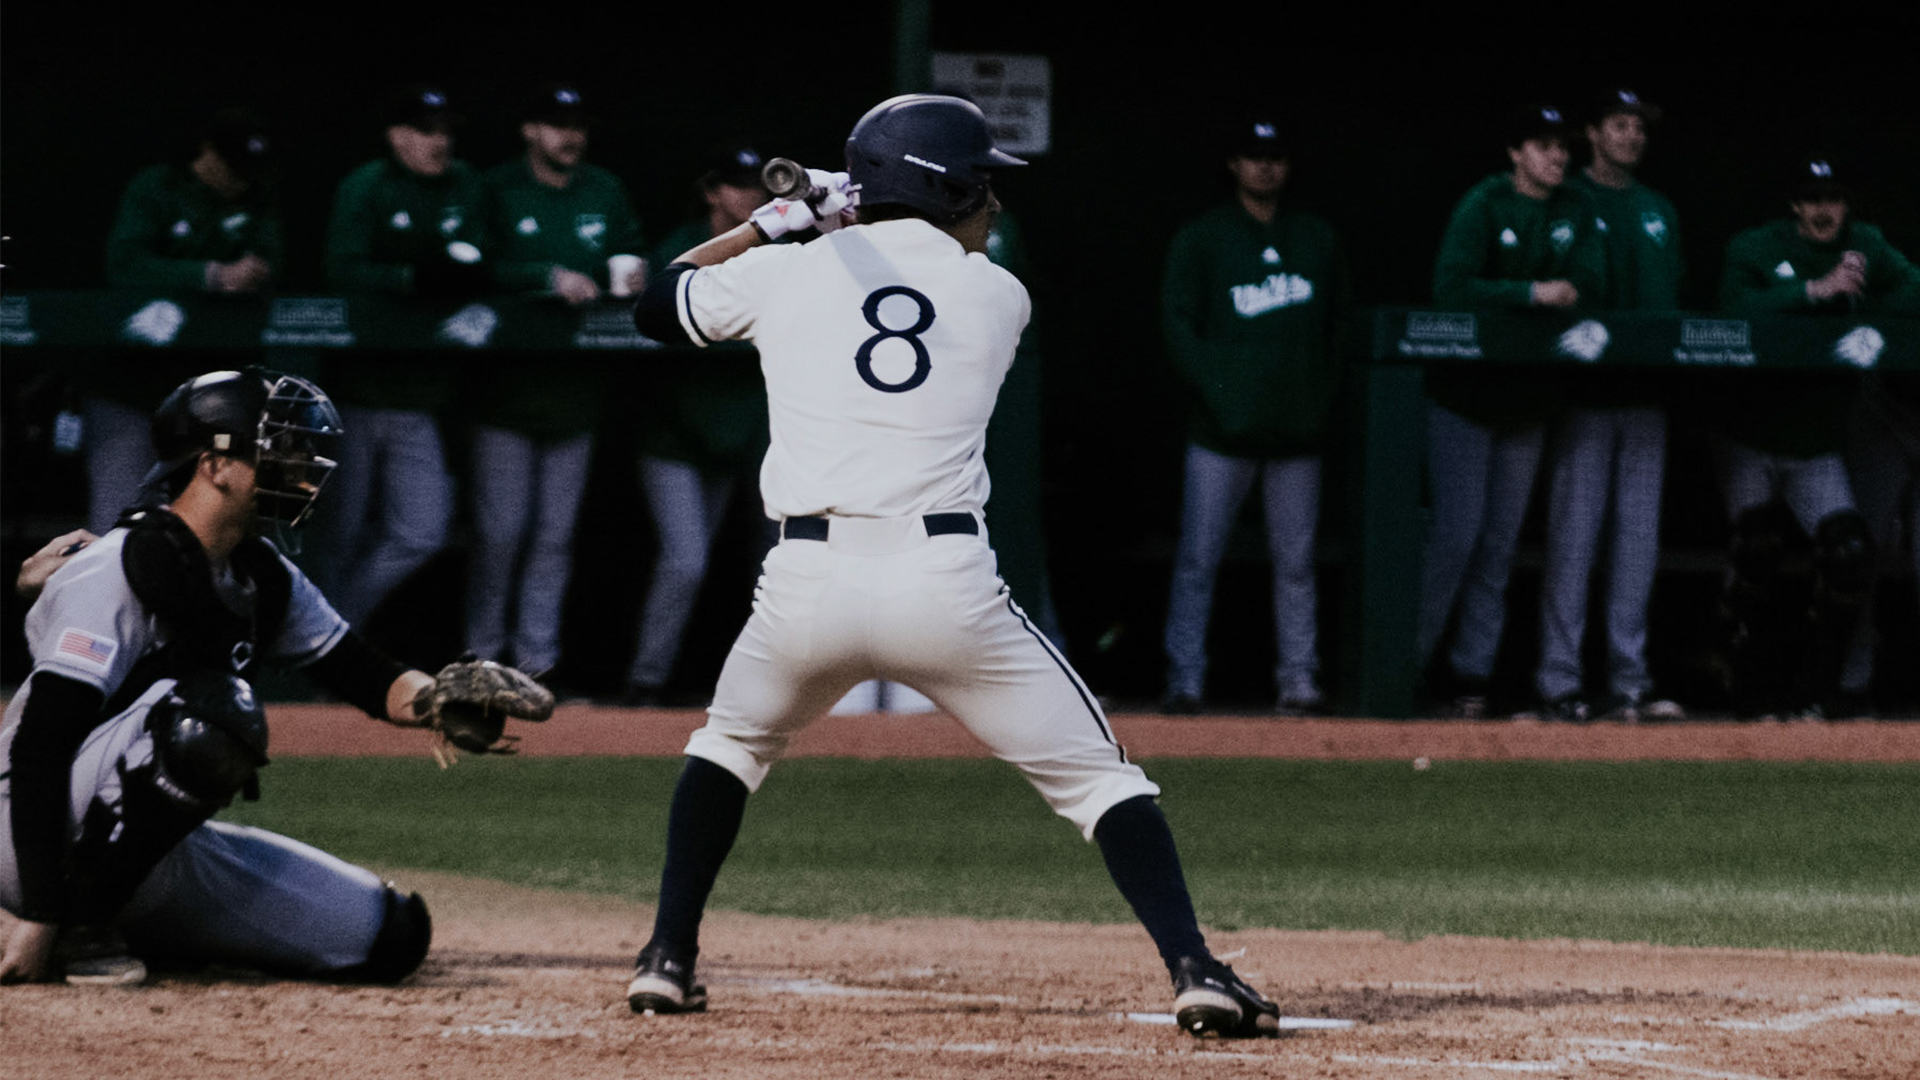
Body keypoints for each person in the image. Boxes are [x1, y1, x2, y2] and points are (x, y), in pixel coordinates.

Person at [622, 94, 1281, 1038]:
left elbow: (656, 303)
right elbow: (913, 268)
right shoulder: (997, 294)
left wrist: (767, 227)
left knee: (730, 747)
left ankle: (666, 959)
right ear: (944, 189)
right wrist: (839, 222)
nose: (994, 205)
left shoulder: (784, 272)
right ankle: (1196, 968)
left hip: (803, 585)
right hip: (945, 587)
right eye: (981, 185)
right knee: (1103, 783)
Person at [2, 369, 447, 986]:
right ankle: (79, 928)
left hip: (144, 846)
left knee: (390, 935)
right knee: (212, 713)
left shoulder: (263, 574)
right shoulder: (117, 566)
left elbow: (366, 674)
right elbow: (40, 748)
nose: (300, 463)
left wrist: (447, 701)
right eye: (278, 445)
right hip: (34, 832)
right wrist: (40, 912)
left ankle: (136, 921)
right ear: (214, 463)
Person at [1714, 157, 1920, 718]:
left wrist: (1861, 306)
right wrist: (1813, 290)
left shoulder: (1866, 244)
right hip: (1751, 433)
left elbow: (1912, 290)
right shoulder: (1757, 246)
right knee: (1756, 550)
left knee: (1851, 555)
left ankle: (1819, 697)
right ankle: (1746, 692)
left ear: (1846, 204)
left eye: (1833, 198)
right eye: (1812, 199)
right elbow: (1733, 308)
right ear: (1795, 206)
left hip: (1814, 443)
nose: (1824, 209)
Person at [1158, 118, 1350, 716]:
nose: (1265, 167)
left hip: (1296, 435)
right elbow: (1178, 325)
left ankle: (1298, 681)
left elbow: (1340, 330)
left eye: (1275, 157)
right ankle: (1185, 680)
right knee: (1198, 559)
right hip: (1220, 435)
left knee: (1295, 565)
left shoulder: (1315, 237)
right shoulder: (1204, 237)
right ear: (1234, 165)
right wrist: (1221, 395)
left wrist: (1315, 398)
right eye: (1254, 156)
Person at [1423, 103, 1604, 718]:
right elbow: (1450, 288)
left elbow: (1588, 282)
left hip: (1527, 402)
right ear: (1515, 151)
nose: (1557, 157)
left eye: (1563, 147)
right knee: (1454, 538)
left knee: (1498, 547)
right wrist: (1528, 293)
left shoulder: (1575, 208)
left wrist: (1550, 295)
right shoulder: (1484, 204)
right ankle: (1409, 667)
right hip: (1466, 400)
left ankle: (1470, 679)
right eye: (1543, 145)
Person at [467, 84, 645, 685]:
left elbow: (629, 247)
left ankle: (536, 665)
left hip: (577, 395)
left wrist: (632, 270)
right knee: (498, 536)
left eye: (577, 125)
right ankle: (481, 659)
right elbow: (471, 263)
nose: (569, 136)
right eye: (554, 123)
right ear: (528, 130)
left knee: (554, 540)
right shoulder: (495, 187)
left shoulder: (604, 187)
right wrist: (543, 276)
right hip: (507, 395)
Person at [1534, 89, 1686, 724]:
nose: (1631, 136)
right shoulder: (1568, 199)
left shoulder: (1657, 208)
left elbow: (1670, 298)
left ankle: (1628, 682)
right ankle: (1559, 682)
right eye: (1619, 125)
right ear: (1592, 133)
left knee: (1638, 546)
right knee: (1573, 542)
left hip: (1646, 398)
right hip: (1585, 399)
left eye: (1637, 127)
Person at [314, 84, 485, 626]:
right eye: (426, 132)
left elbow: (489, 260)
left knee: (422, 531)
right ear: (396, 136)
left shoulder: (466, 186)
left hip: (422, 395)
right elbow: (341, 269)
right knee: (336, 532)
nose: (440, 143)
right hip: (357, 392)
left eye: (446, 133)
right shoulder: (366, 186)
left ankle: (331, 634)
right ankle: (315, 650)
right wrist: (410, 277)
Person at [622, 144, 773, 706]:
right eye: (735, 184)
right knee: (686, 561)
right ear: (712, 191)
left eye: (756, 184)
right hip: (675, 434)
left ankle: (766, 690)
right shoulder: (680, 250)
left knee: (775, 560)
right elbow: (656, 327)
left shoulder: (776, 253)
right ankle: (646, 682)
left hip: (745, 430)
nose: (749, 195)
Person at [89, 107, 284, 535]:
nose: (240, 177)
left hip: (210, 401)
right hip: (133, 386)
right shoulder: (157, 188)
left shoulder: (256, 199)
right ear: (207, 151)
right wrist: (208, 276)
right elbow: (124, 265)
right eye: (232, 165)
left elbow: (272, 262)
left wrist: (254, 274)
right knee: (115, 524)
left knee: (201, 532)